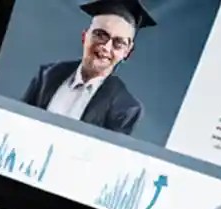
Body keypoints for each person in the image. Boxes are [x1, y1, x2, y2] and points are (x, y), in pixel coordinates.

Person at [20, 0, 157, 136]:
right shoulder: (47, 75)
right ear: (84, 36)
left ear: (127, 53)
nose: (106, 47)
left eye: (118, 43)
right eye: (100, 35)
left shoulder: (125, 108)